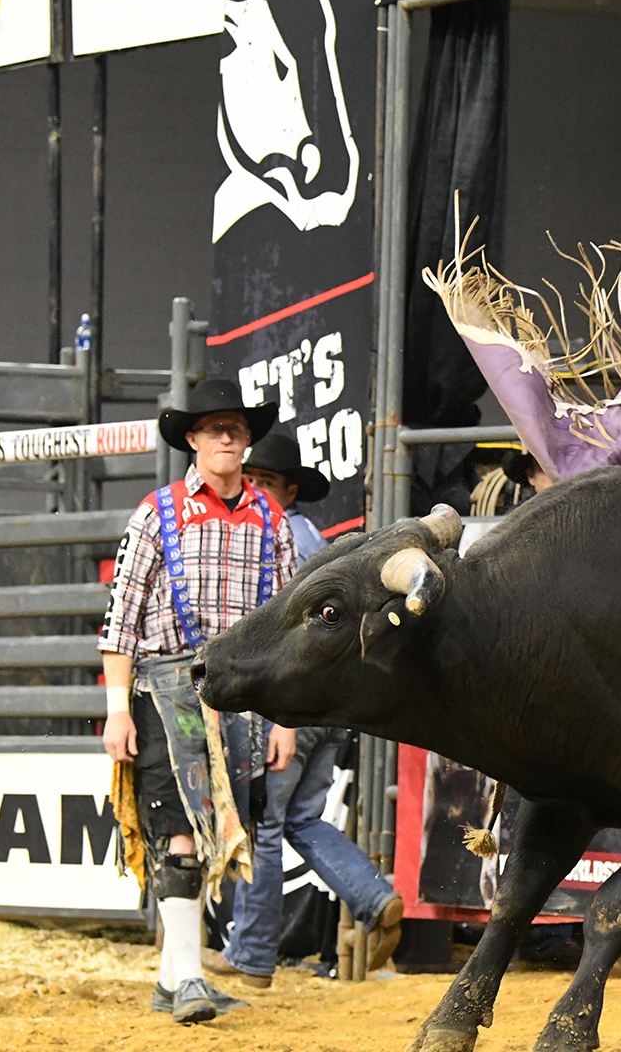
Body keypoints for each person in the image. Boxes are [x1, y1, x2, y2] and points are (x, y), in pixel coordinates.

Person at [100, 379, 298, 1022]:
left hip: (240, 696)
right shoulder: (156, 513)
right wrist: (118, 709)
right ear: (192, 439)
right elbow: (121, 619)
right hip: (166, 689)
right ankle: (188, 977)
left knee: (217, 832)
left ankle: (173, 980)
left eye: (237, 429)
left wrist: (284, 719)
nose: (227, 439)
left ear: (247, 441)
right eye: (215, 428)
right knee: (179, 831)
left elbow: (289, 631)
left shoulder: (272, 522)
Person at [205, 434, 403, 988]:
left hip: (292, 701)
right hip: (326, 704)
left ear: (289, 491)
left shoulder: (276, 535)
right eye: (253, 479)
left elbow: (285, 640)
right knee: (300, 818)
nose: (255, 488)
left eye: (266, 482)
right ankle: (373, 897)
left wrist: (278, 718)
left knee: (264, 822)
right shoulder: (314, 537)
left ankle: (251, 954)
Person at [243, 433, 334, 559]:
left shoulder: (284, 542)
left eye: (267, 483)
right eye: (249, 480)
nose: (252, 491)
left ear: (291, 493)